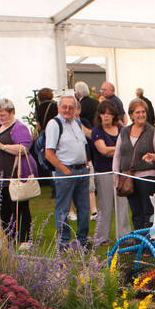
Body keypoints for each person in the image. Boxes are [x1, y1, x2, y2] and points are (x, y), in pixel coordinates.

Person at [0, 98, 37, 244]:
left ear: (12, 113)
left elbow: (24, 148)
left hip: (13, 176)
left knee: (18, 208)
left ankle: (24, 238)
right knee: (2, 209)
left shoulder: (19, 128)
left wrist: (1, 146)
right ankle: (9, 237)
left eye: (3, 115)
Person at [44, 92, 94, 251]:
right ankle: (64, 242)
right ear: (59, 108)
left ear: (75, 109)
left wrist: (85, 164)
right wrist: (65, 170)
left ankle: (82, 240)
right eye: (64, 107)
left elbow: (83, 145)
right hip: (66, 171)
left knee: (84, 208)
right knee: (63, 208)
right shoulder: (54, 124)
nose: (67, 110)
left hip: (82, 171)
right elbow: (49, 153)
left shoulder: (77, 123)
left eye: (71, 107)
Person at [113, 96, 155, 232]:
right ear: (131, 115)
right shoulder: (124, 132)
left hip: (147, 178)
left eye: (143, 112)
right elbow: (117, 155)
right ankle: (139, 243)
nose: (141, 115)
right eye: (137, 112)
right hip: (128, 178)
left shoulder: (153, 132)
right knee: (136, 213)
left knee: (149, 212)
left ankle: (150, 244)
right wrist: (117, 177)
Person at [90, 99, 132, 243]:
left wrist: (115, 150)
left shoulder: (122, 131)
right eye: (103, 114)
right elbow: (103, 151)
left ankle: (124, 236)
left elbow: (128, 148)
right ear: (99, 115)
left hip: (121, 173)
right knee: (105, 206)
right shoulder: (97, 131)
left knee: (122, 205)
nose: (106, 116)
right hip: (104, 173)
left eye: (109, 114)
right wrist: (119, 148)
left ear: (114, 115)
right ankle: (102, 237)